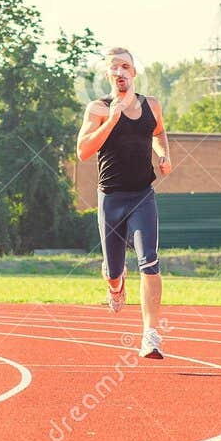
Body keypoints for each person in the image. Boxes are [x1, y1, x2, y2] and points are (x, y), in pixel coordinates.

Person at [75, 46, 172, 359]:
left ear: (134, 72)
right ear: (108, 74)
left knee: (150, 261)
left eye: (125, 67)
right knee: (114, 270)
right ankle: (115, 283)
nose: (120, 72)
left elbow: (159, 132)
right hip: (111, 198)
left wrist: (164, 155)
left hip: (142, 195)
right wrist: (111, 120)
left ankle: (150, 336)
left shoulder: (151, 105)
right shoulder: (98, 108)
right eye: (114, 67)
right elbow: (83, 151)